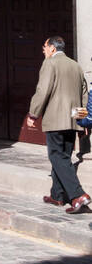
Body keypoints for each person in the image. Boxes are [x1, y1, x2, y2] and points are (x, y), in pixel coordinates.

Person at [27, 35, 92, 213]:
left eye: (45, 47)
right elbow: (83, 95)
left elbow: (43, 90)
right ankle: (57, 195)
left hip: (55, 119)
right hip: (72, 119)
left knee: (57, 156)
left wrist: (33, 113)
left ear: (53, 49)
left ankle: (78, 195)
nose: (43, 50)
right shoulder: (76, 65)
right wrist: (82, 119)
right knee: (63, 156)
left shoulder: (50, 63)